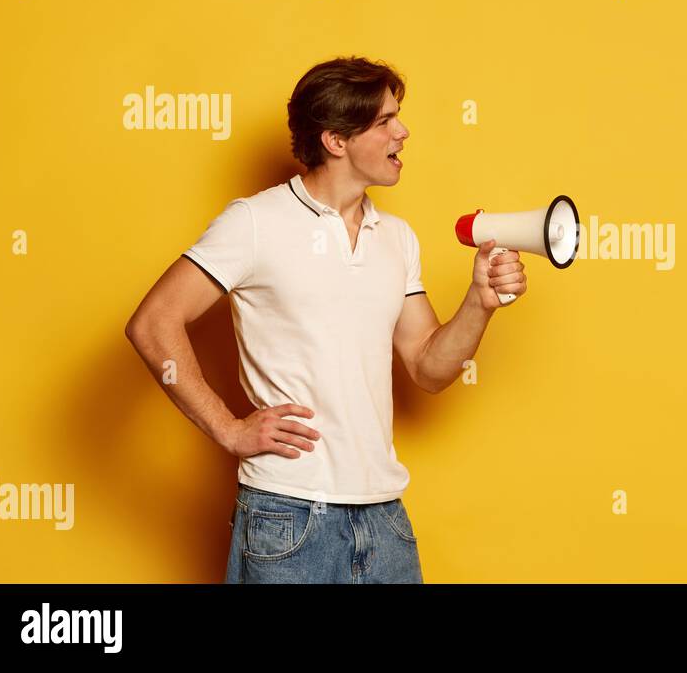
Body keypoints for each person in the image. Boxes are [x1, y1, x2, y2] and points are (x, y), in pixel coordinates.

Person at [124, 56, 527, 583]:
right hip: (287, 519)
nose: (402, 132)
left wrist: (479, 302)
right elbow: (153, 322)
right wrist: (227, 428)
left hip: (385, 520)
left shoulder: (396, 237)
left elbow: (429, 368)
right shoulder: (254, 222)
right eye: (385, 121)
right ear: (336, 140)